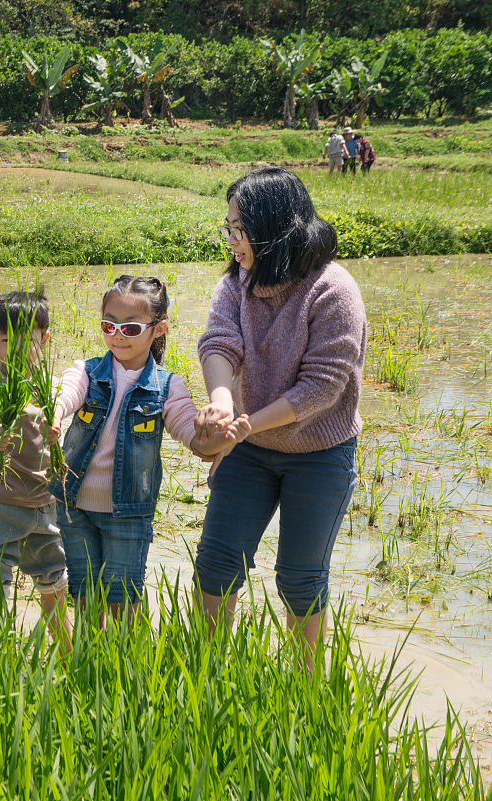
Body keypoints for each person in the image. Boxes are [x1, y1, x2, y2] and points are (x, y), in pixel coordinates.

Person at [195, 166, 365, 667]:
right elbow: (218, 341)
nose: (231, 241)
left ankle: (304, 685)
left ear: (272, 228)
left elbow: (323, 386)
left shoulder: (332, 289)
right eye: (227, 228)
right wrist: (223, 400)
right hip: (250, 449)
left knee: (299, 575)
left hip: (319, 452)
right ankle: (206, 671)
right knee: (217, 562)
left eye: (238, 229)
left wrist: (247, 424)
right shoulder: (237, 282)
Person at [49, 276, 247, 624]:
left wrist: (224, 438)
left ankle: (129, 668)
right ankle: (89, 671)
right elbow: (67, 393)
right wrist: (53, 412)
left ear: (159, 329)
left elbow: (194, 437)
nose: (117, 336)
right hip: (72, 504)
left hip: (129, 512)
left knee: (123, 599)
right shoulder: (87, 371)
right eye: (109, 326)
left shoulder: (167, 386)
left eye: (130, 328)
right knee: (83, 596)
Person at [0, 290, 71, 650]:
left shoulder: (50, 386)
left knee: (55, 578)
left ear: (45, 339)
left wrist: (56, 435)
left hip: (44, 503)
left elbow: (57, 432)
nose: (19, 349)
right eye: (7, 340)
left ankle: (70, 654)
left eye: (29, 340)